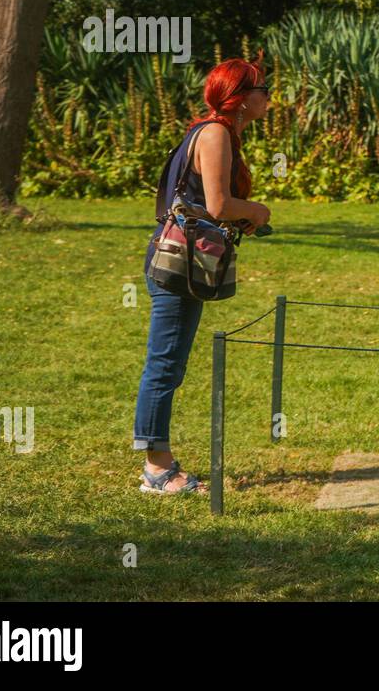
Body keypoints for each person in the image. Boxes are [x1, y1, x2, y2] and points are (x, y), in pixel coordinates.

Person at [134, 56, 272, 494]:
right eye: (261, 88)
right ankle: (157, 470)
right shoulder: (214, 134)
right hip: (179, 264)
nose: (268, 95)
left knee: (168, 363)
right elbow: (216, 205)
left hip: (182, 259)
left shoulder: (212, 131)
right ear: (242, 98)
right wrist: (256, 210)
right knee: (165, 364)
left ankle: (158, 461)